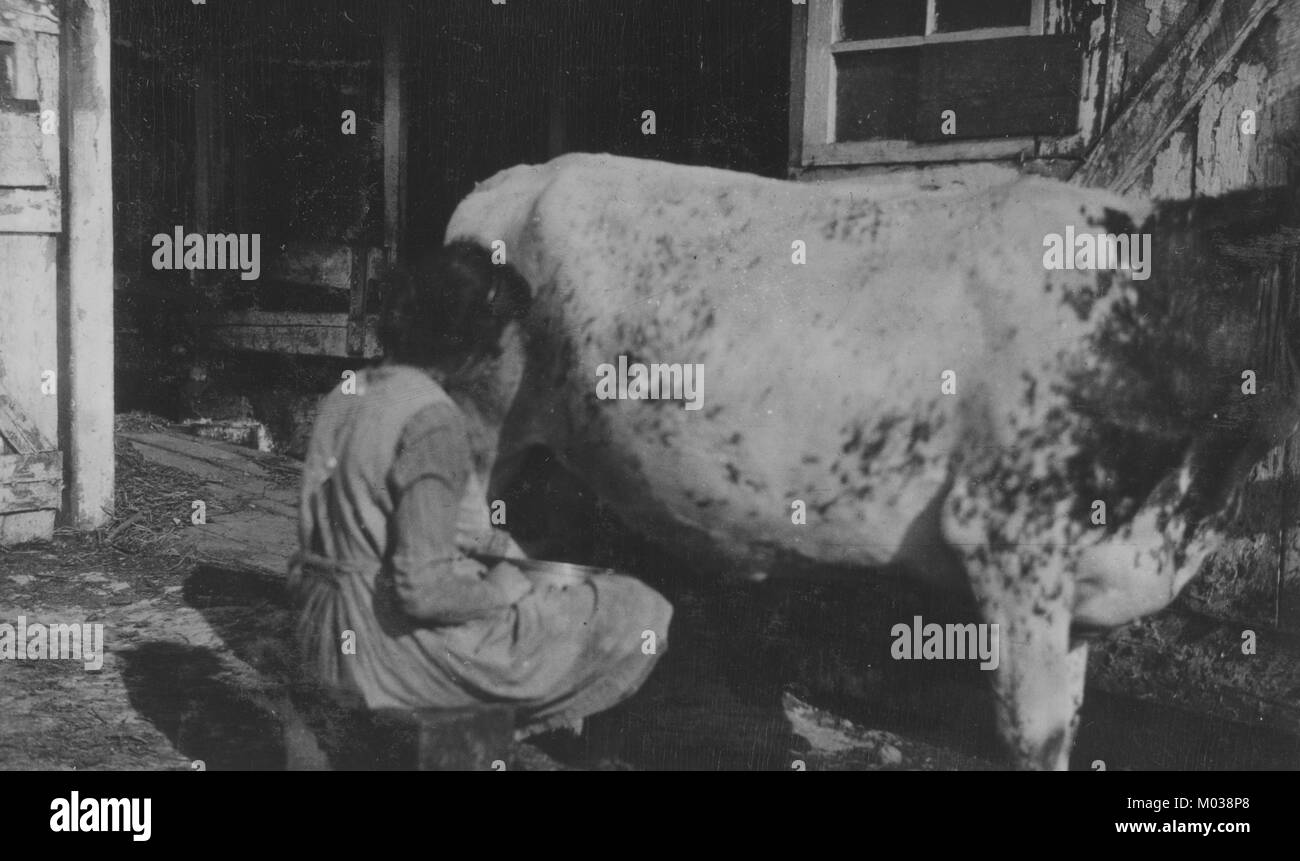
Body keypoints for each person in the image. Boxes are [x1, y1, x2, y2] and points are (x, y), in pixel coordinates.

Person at [287, 241, 672, 740]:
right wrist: (498, 592)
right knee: (632, 609)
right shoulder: (433, 421)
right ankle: (511, 731)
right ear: (475, 341)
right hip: (385, 656)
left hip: (318, 630)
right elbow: (422, 591)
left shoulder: (350, 391)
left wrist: (491, 553)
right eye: (508, 336)